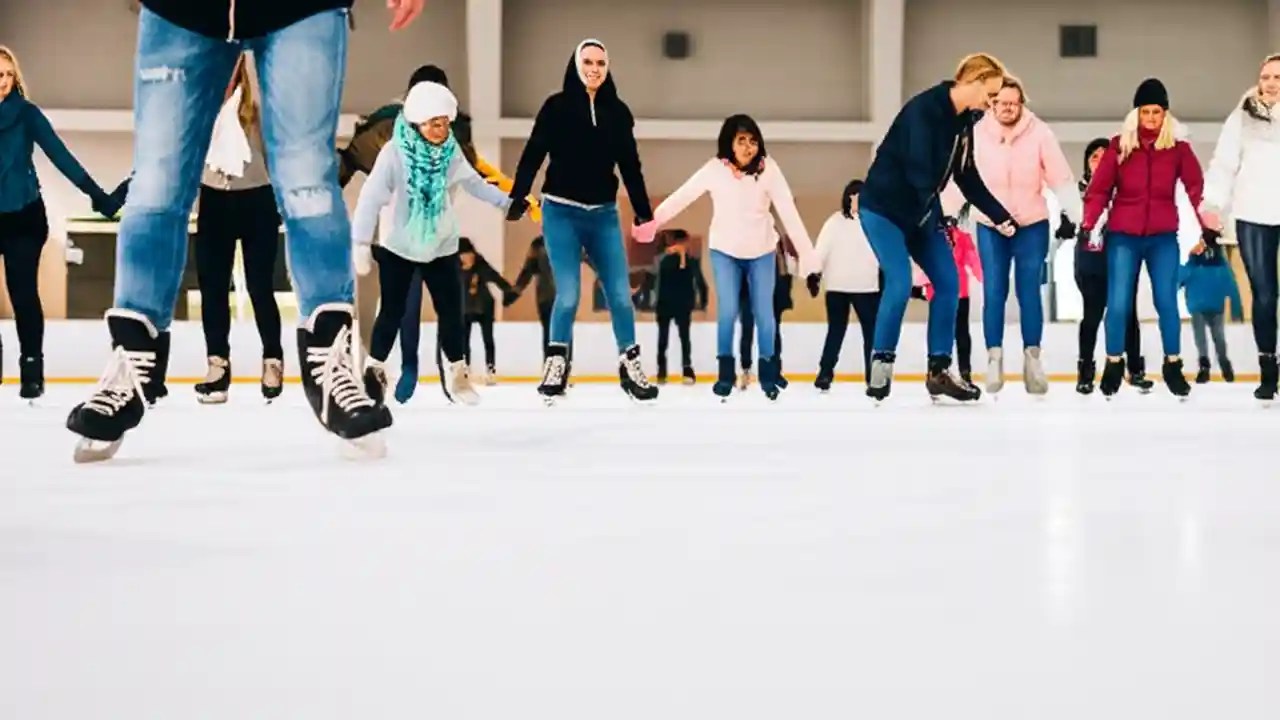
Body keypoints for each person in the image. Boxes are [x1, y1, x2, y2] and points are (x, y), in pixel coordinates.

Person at [65, 0, 424, 463]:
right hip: (181, 11)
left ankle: (331, 362)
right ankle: (133, 359)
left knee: (308, 180)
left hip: (305, 8)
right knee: (156, 183)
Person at [341, 64, 539, 402]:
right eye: (435, 124)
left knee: (452, 310)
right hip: (399, 245)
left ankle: (457, 373)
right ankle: (375, 368)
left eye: (446, 123)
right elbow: (370, 197)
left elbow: (475, 182)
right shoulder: (393, 152)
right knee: (393, 311)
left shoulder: (450, 150)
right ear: (418, 120)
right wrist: (360, 242)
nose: (442, 130)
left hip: (441, 244)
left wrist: (507, 205)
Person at [857, 53, 1017, 402]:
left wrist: (999, 214)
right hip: (883, 210)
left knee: (949, 282)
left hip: (921, 213)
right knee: (898, 282)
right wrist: (936, 210)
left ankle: (939, 370)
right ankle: (881, 364)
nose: (991, 106)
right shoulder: (924, 111)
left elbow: (965, 173)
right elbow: (919, 173)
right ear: (971, 81)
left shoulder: (966, 120)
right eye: (989, 97)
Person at [506, 39, 658, 404]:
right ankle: (556, 363)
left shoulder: (618, 113)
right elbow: (534, 152)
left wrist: (642, 209)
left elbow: (630, 165)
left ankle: (630, 366)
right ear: (576, 65)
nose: (594, 68)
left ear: (608, 68)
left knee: (621, 296)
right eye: (588, 61)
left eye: (601, 63)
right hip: (561, 212)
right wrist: (519, 194)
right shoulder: (556, 107)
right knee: (569, 294)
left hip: (603, 215)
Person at [639, 114, 819, 400]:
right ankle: (725, 374)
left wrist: (811, 263)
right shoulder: (715, 169)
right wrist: (652, 222)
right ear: (730, 144)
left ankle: (769, 374)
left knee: (764, 313)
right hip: (724, 251)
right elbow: (683, 196)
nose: (748, 147)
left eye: (753, 141)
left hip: (762, 251)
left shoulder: (768, 169)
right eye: (741, 141)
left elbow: (789, 214)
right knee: (728, 310)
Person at [943, 75, 1080, 395]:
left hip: (1031, 222)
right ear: (992, 104)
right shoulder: (975, 133)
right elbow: (959, 177)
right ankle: (994, 359)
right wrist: (946, 212)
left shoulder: (1040, 133)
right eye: (1002, 103)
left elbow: (1060, 175)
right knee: (994, 290)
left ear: (1022, 104)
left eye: (1014, 104)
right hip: (990, 224)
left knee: (1029, 289)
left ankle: (1033, 360)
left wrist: (1076, 214)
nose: (1008, 109)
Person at [0, 46, 122, 401]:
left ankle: (32, 370)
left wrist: (98, 196)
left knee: (22, 293)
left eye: (7, 75)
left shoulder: (26, 114)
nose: (2, 82)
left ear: (15, 78)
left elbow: (60, 156)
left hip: (24, 215)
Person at [1082, 78, 1209, 399]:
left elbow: (1196, 188)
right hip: (1124, 235)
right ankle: (1113, 364)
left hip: (1163, 237)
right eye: (1146, 112)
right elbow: (1099, 189)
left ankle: (1173, 365)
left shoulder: (1178, 149)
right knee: (1120, 301)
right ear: (1136, 113)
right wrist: (1089, 221)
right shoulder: (1119, 146)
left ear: (1165, 114)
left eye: (1157, 112)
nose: (1151, 118)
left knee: (1167, 301)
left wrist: (1207, 224)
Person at [193, 53, 284, 404]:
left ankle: (272, 360)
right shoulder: (203, 103)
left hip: (257, 198)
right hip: (213, 199)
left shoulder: (256, 101)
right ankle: (217, 367)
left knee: (261, 287)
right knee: (213, 288)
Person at [1200, 53, 1280, 400]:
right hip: (1254, 214)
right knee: (1265, 294)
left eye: (1278, 77)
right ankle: (1268, 369)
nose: (1272, 83)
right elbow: (1223, 163)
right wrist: (1212, 205)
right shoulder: (1242, 116)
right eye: (1266, 77)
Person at [1067, 138, 1148, 395]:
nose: (1099, 159)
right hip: (1090, 261)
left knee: (1127, 313)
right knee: (1092, 314)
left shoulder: (1126, 190)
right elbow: (1068, 218)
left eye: (1105, 155)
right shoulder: (1077, 193)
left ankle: (1134, 369)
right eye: (1093, 156)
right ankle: (1085, 373)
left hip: (1123, 257)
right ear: (1087, 164)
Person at [813, 179, 881, 391]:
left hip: (867, 287)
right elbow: (821, 249)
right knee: (836, 331)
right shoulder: (835, 222)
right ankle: (825, 374)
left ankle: (874, 377)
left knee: (871, 334)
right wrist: (814, 273)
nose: (857, 201)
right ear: (847, 198)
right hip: (837, 286)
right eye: (854, 196)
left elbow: (884, 253)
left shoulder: (875, 222)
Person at [648, 229, 708, 385]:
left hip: (683, 304)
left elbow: (700, 282)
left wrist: (703, 303)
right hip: (665, 303)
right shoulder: (663, 260)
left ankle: (687, 369)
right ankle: (662, 371)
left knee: (684, 338)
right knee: (663, 339)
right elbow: (657, 276)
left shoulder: (691, 261)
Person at [458, 237, 518, 386]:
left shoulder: (481, 266)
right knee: (464, 341)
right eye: (464, 255)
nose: (468, 258)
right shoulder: (455, 269)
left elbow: (497, 279)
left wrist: (510, 292)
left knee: (488, 339)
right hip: (465, 308)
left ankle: (490, 369)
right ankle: (465, 370)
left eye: (470, 254)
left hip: (484, 307)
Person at [1179, 241, 1241, 383]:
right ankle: (1222, 365)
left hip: (1201, 305)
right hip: (1212, 304)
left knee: (1205, 338)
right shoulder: (1219, 263)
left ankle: (1209, 366)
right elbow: (1231, 285)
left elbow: (1178, 279)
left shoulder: (1194, 262)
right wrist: (1236, 309)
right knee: (1217, 337)